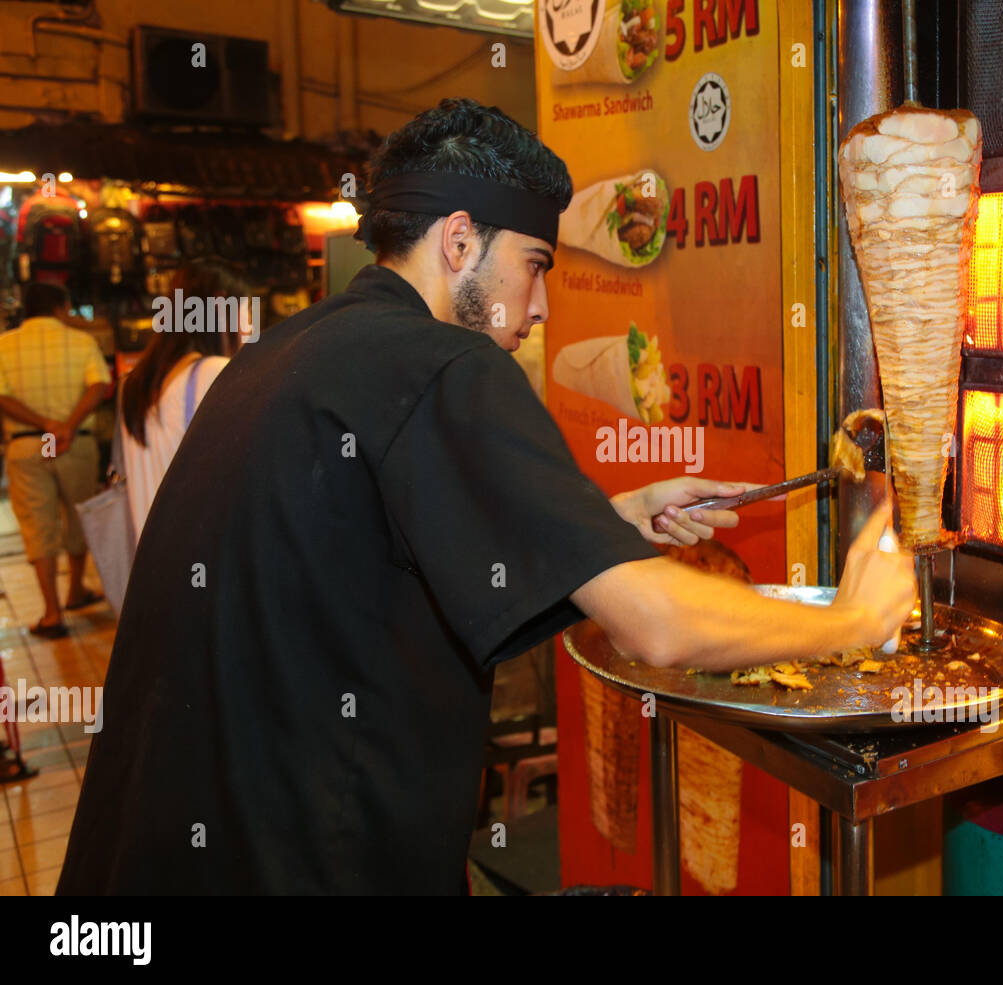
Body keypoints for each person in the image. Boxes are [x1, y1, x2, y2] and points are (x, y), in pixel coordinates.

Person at [57, 99, 915, 894]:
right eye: (534, 266)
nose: (539, 308)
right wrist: (852, 621)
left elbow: (368, 551)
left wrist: (603, 525)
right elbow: (654, 626)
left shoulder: (296, 350)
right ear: (459, 241)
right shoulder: (445, 362)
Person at [0, 282, 110, 638]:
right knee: (78, 514)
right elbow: (100, 386)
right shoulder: (82, 342)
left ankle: (51, 612)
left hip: (30, 444)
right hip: (71, 443)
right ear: (61, 307)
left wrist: (46, 426)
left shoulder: (4, 345)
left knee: (38, 526)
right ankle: (76, 589)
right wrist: (66, 426)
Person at [118, 259, 250, 542]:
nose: (250, 323)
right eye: (246, 308)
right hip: (200, 558)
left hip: (152, 565)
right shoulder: (213, 373)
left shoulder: (134, 383)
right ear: (221, 305)